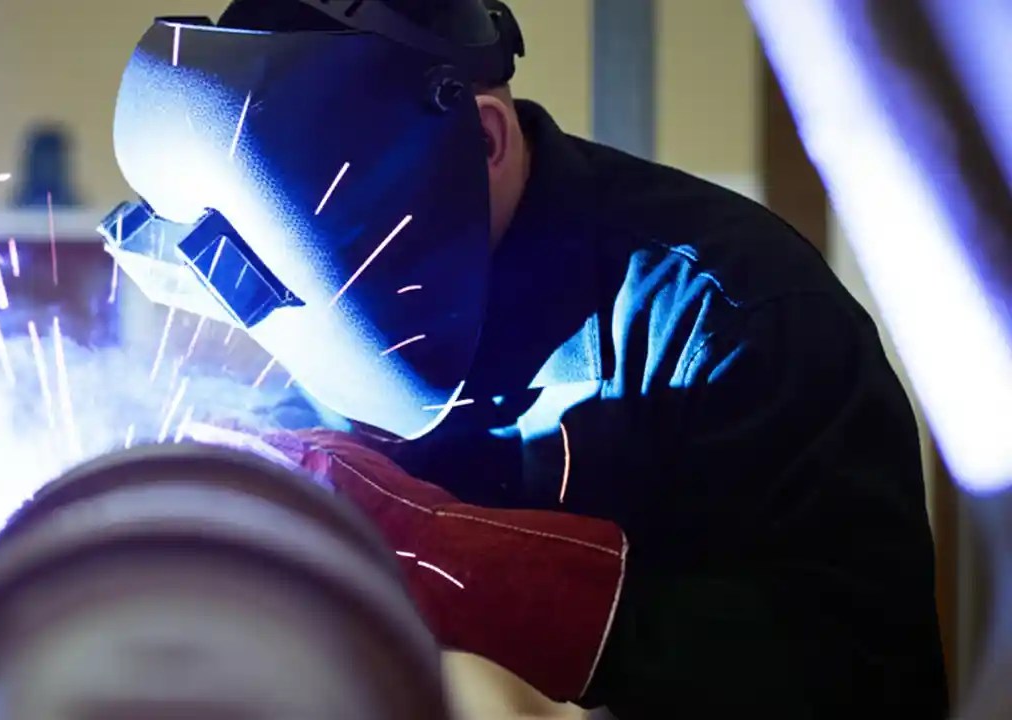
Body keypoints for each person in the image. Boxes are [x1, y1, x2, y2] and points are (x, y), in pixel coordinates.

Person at [106, 1, 948, 716]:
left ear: (483, 135)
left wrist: (480, 570)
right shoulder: (316, 255)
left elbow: (865, 680)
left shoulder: (734, 316)